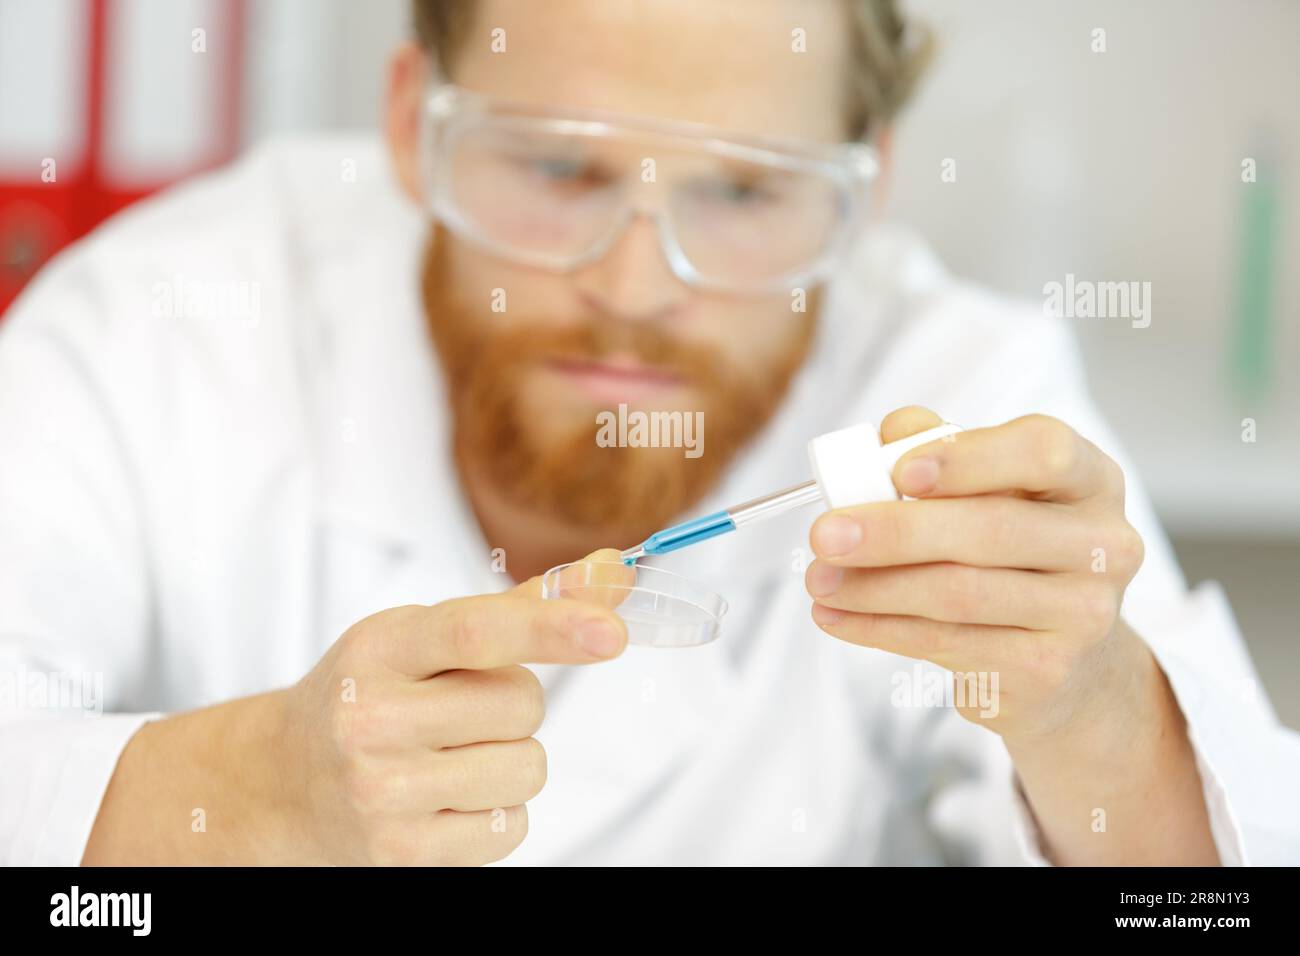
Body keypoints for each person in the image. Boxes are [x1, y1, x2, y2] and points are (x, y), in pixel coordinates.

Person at [1, 0, 1295, 867]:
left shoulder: (952, 385)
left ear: (870, 186)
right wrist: (255, 789)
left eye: (741, 190)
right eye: (559, 171)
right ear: (410, 122)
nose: (633, 286)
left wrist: (1099, 713)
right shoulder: (166, 322)